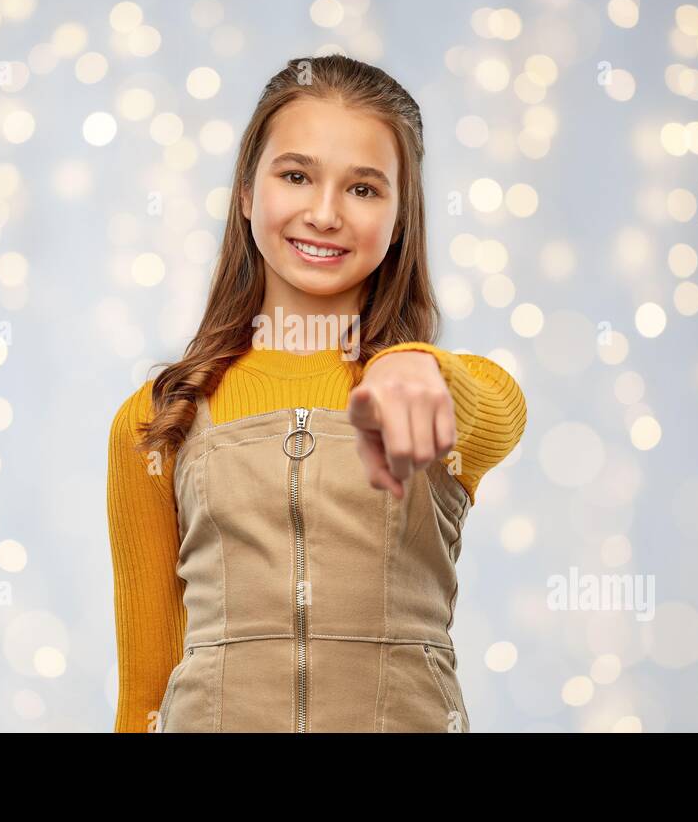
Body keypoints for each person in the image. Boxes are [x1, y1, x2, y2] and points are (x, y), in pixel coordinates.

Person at [106, 54, 527, 732]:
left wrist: (415, 366)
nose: (325, 213)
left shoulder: (435, 392)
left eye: (363, 189)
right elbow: (145, 686)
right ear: (247, 193)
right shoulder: (161, 416)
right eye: (296, 175)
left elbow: (502, 407)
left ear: (400, 218)